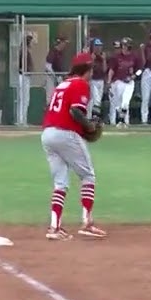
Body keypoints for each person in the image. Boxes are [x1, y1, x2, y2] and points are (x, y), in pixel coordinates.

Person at [40, 52, 107, 241]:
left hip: (47, 134)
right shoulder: (80, 84)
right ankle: (87, 223)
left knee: (60, 182)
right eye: (91, 68)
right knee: (88, 175)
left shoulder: (63, 84)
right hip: (65, 133)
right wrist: (89, 125)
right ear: (87, 69)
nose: (93, 71)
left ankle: (55, 227)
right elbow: (75, 110)